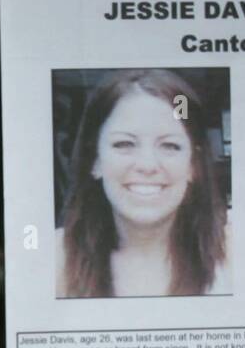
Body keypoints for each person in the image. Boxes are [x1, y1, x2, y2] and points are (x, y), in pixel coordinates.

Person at [57, 68, 229, 299]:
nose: (147, 165)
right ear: (94, 160)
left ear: (193, 165)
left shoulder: (238, 254)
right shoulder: (53, 259)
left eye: (170, 146)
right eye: (124, 144)